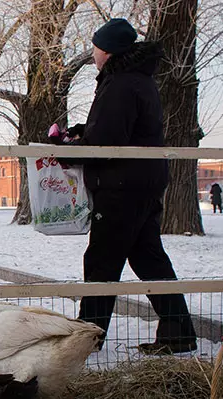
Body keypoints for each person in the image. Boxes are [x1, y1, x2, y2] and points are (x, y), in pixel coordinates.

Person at [51, 18, 197, 354]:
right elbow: (118, 130)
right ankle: (179, 331)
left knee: (102, 261)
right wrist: (82, 131)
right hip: (141, 182)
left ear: (109, 51)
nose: (93, 55)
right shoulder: (137, 80)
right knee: (149, 260)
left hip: (121, 187)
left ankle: (87, 339)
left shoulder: (119, 83)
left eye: (95, 48)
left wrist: (69, 151)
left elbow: (108, 141)